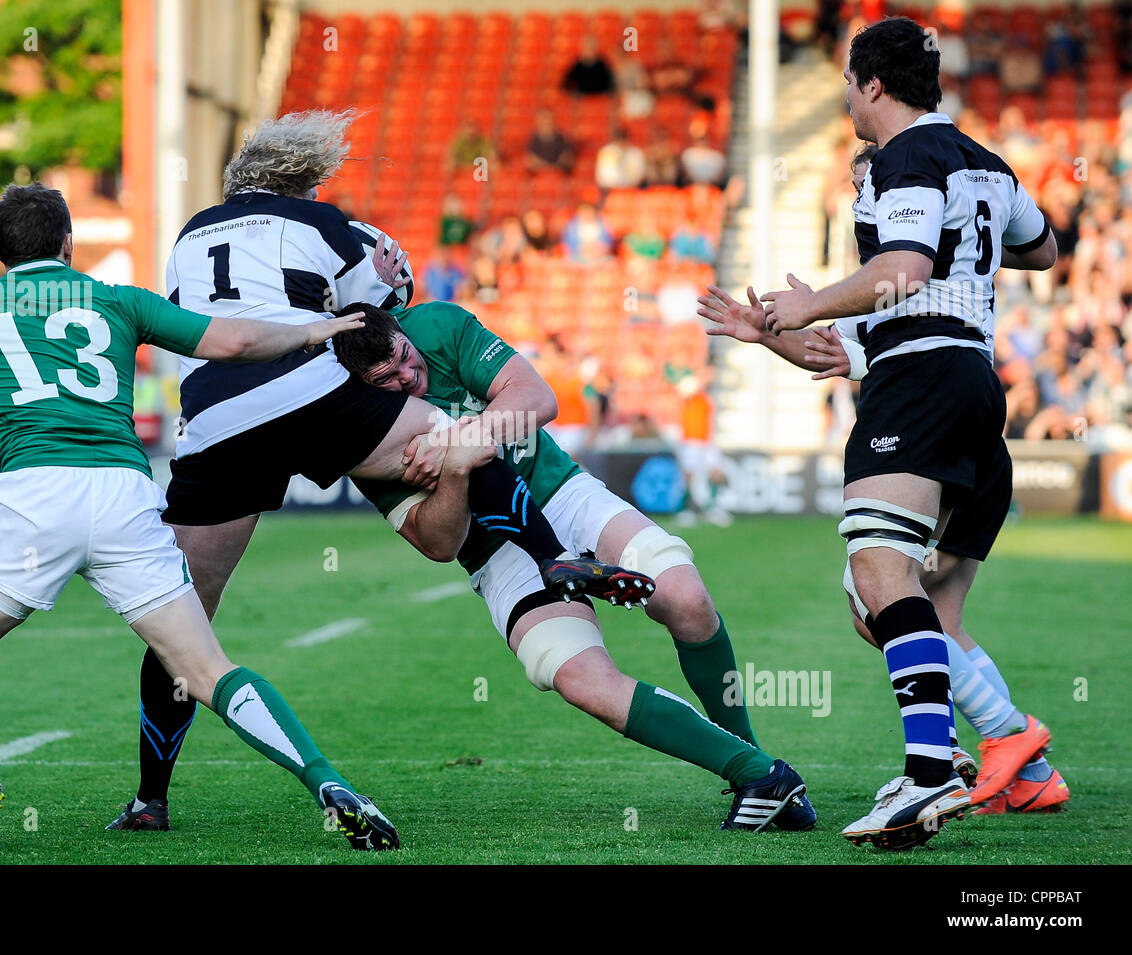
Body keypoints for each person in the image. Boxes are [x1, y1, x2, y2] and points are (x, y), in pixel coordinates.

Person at [109, 111, 652, 830]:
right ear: (301, 179)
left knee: (180, 626)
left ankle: (151, 797)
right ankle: (556, 560)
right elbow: (380, 312)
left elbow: (195, 326)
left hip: (216, 419)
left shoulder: (188, 235)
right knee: (462, 441)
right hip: (308, 391)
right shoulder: (324, 222)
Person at [0, 182, 400, 853]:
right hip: (123, 497)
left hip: (32, 498)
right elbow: (234, 339)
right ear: (69, 244)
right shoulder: (119, 301)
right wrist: (315, 327)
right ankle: (331, 784)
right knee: (206, 670)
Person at [332, 301, 817, 832]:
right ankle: (763, 775)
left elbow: (537, 398)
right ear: (359, 384)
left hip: (559, 491)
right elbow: (438, 544)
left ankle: (753, 764)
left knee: (688, 600)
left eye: (404, 358)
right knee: (577, 678)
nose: (407, 377)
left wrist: (457, 440)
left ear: (403, 332)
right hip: (492, 550)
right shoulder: (356, 426)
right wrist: (455, 472)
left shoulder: (438, 326)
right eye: (387, 379)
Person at [749, 18, 1057, 848]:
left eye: (850, 83)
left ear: (872, 86)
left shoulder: (906, 158)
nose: (848, 96)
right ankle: (1014, 765)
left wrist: (810, 299)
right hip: (966, 378)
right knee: (901, 605)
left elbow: (903, 270)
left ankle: (929, 775)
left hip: (921, 381)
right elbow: (1044, 247)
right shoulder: (984, 162)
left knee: (877, 573)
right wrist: (774, 330)